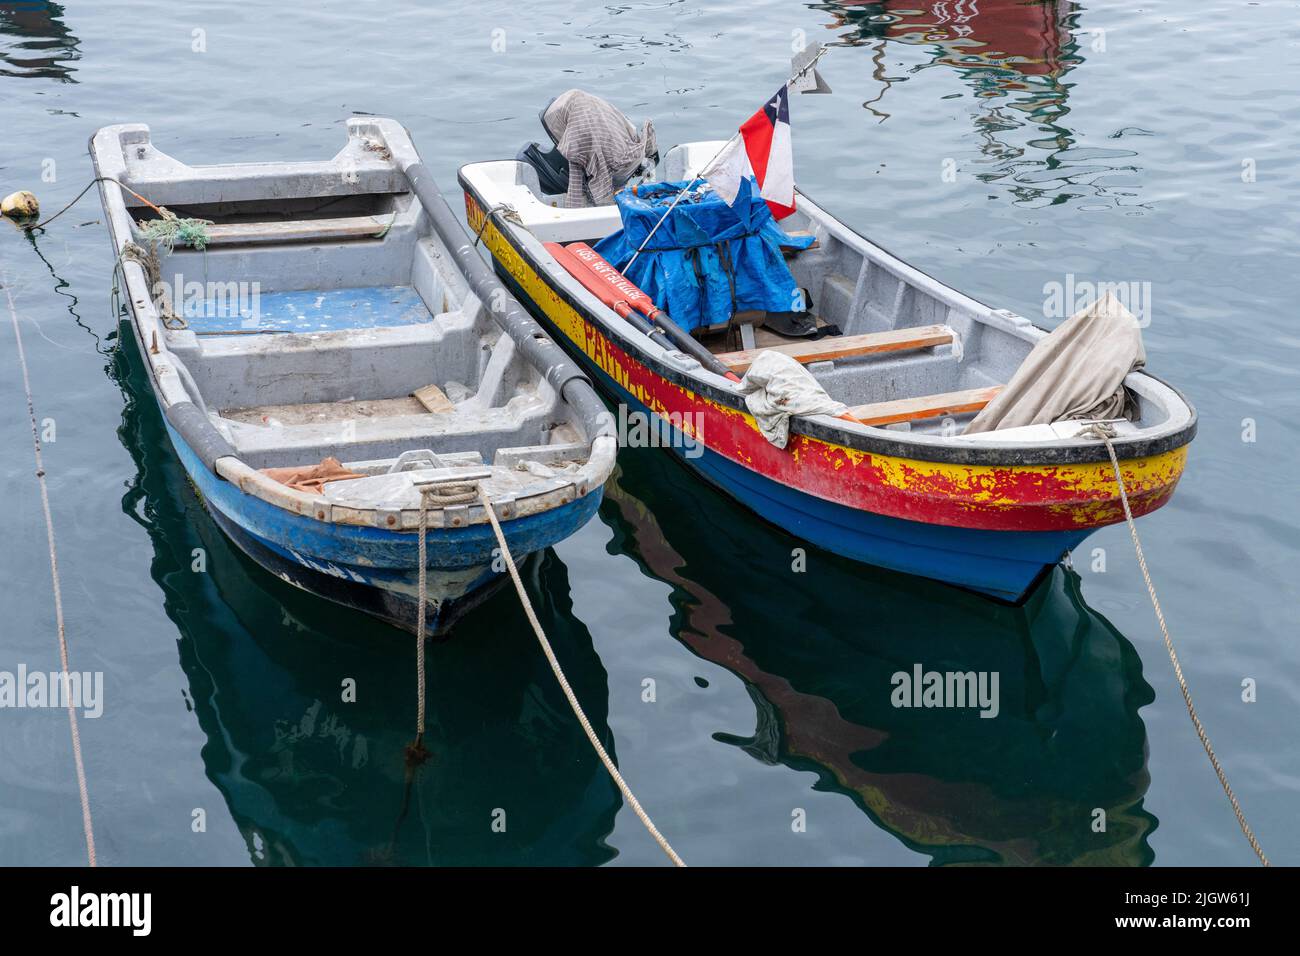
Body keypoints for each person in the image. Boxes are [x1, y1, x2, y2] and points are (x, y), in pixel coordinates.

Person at [543, 90, 657, 208]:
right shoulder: (590, 112)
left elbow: (579, 190)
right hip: (632, 152)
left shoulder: (578, 136)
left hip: (619, 164)